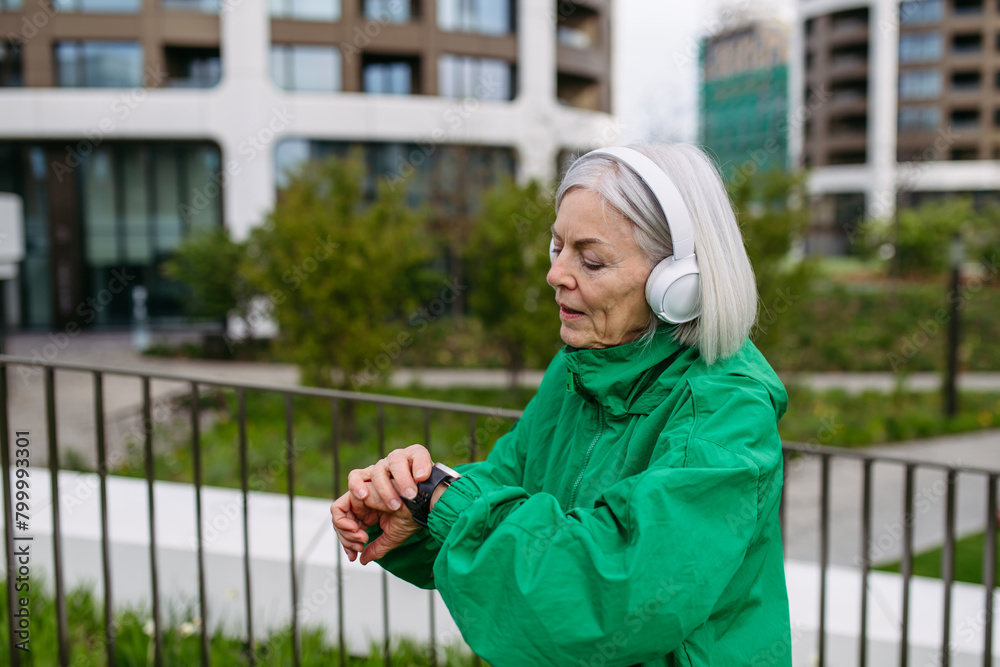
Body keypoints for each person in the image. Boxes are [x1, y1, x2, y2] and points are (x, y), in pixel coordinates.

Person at [331, 142, 792, 667]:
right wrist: (411, 503)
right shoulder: (580, 366)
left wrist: (445, 502)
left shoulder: (726, 412)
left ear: (678, 284)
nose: (556, 274)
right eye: (558, 247)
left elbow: (609, 596)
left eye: (591, 260)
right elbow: (506, 492)